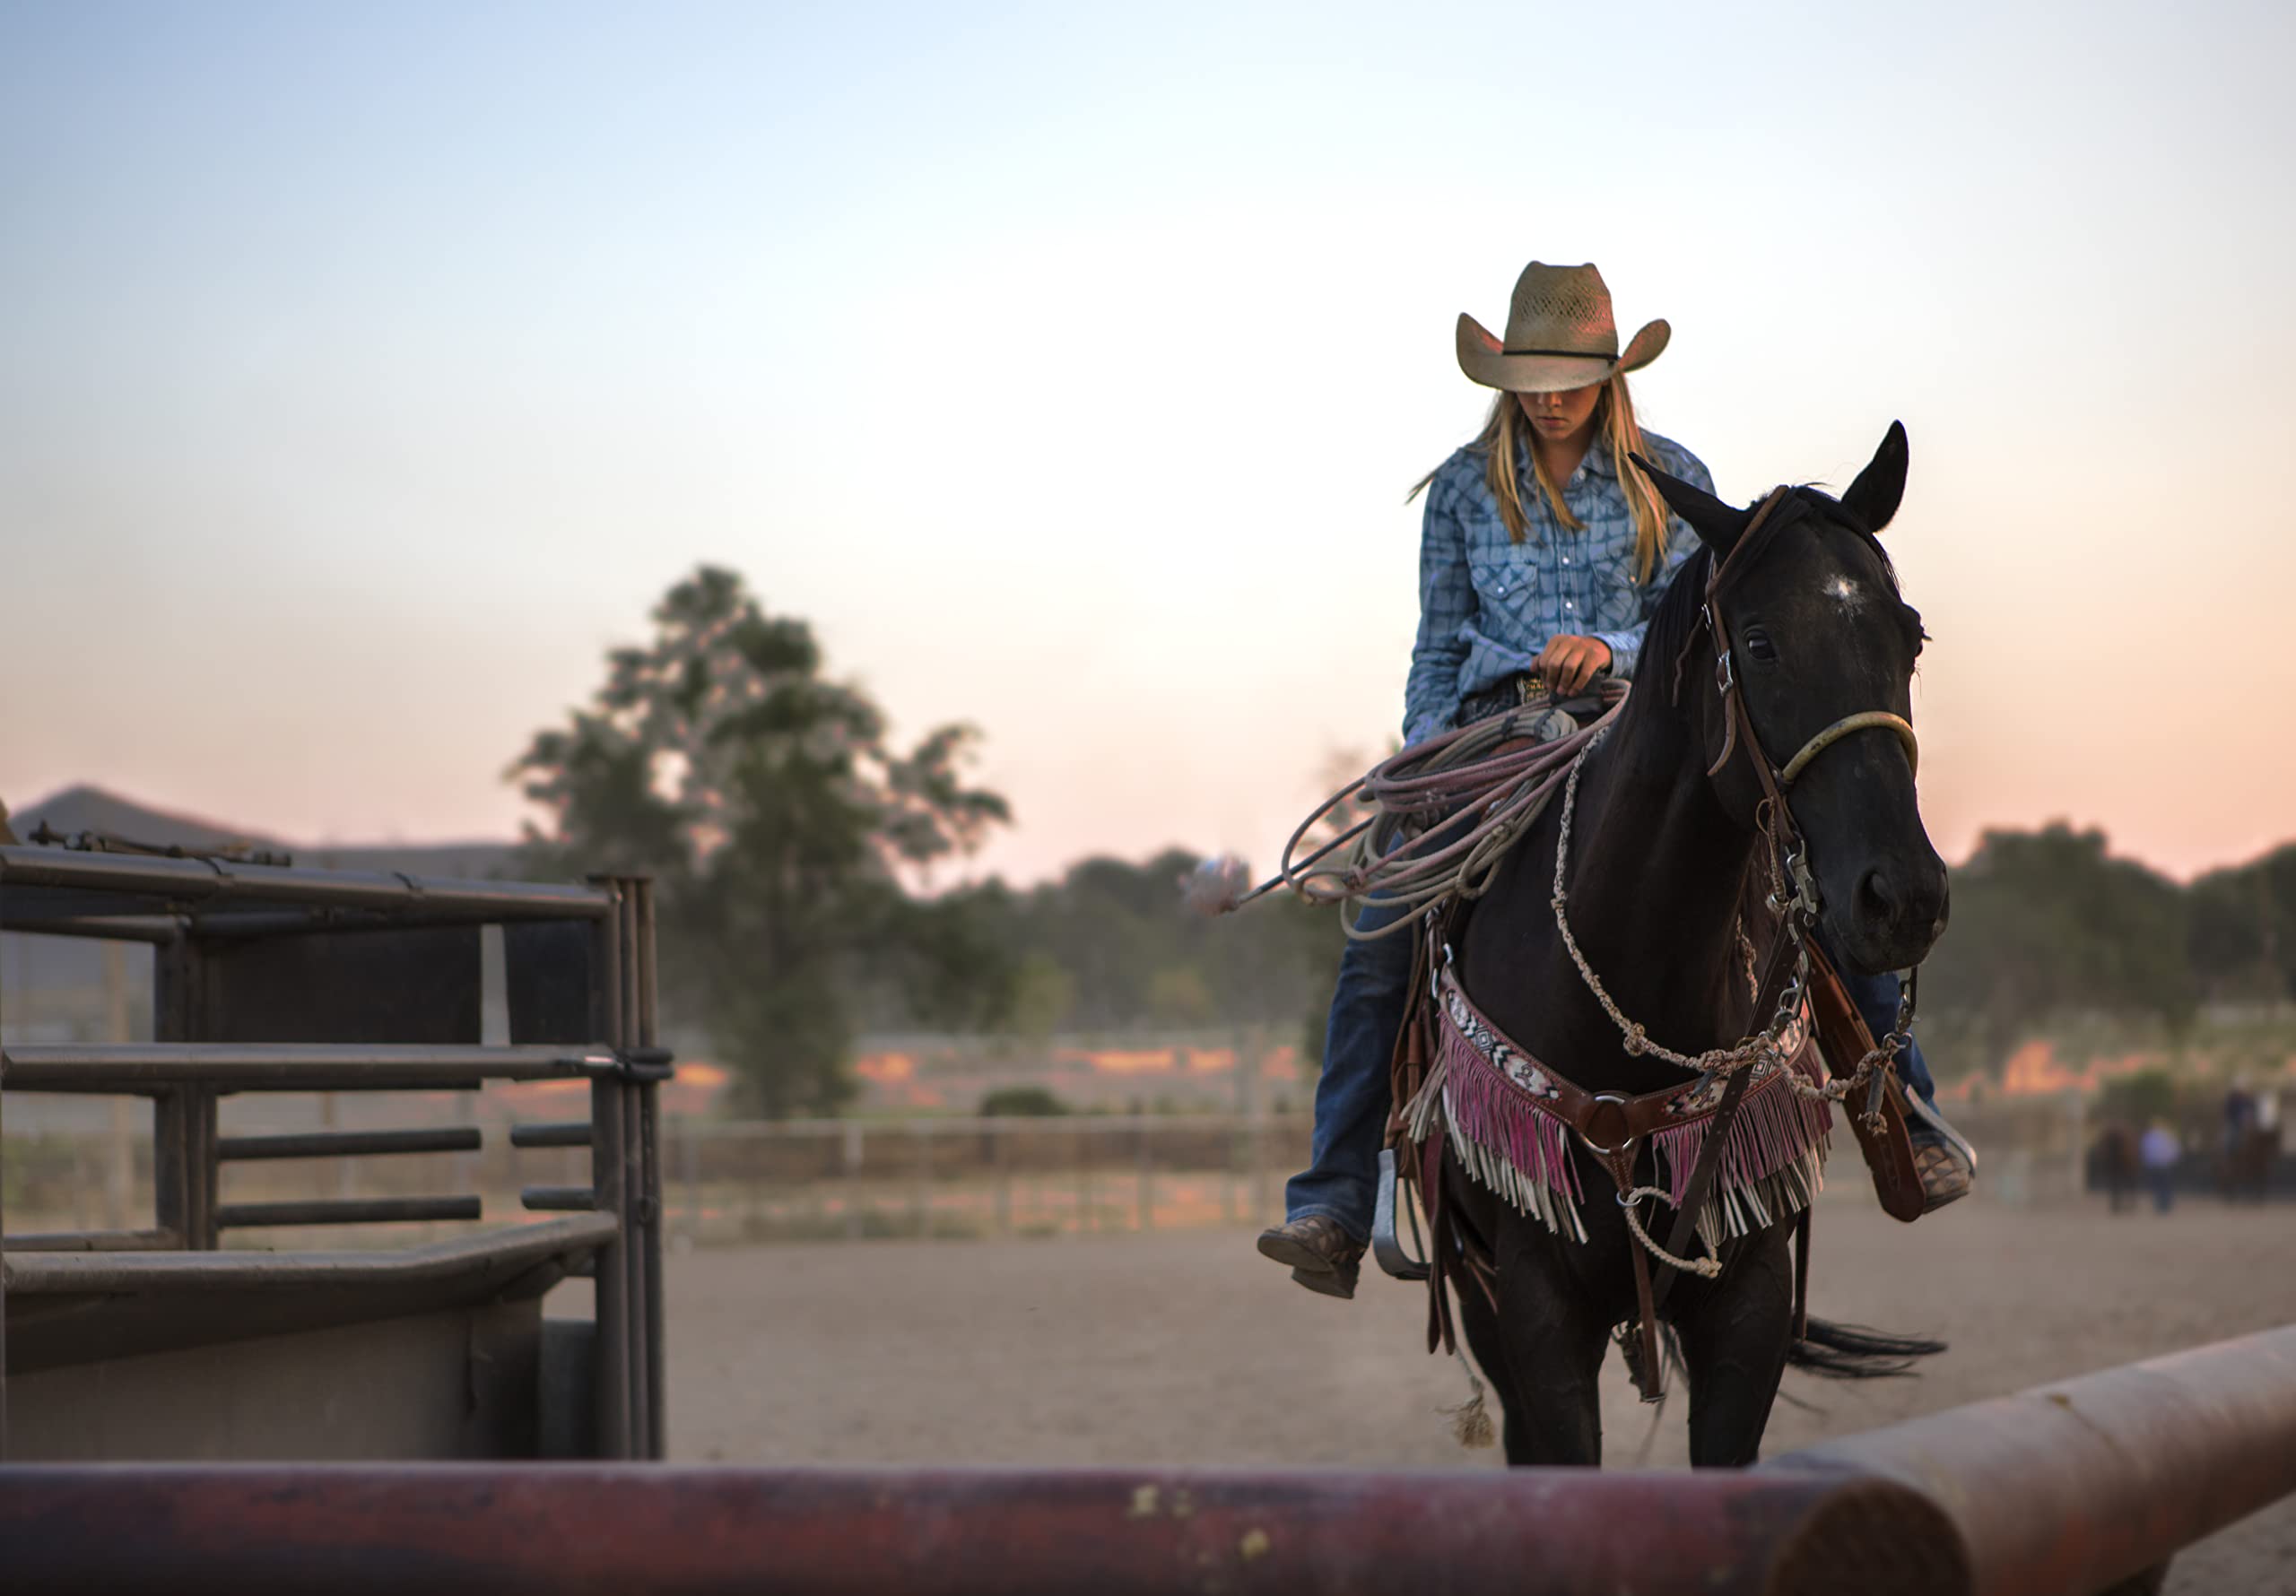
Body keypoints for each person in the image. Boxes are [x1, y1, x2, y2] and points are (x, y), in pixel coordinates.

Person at [1257, 261, 1973, 1300]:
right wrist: (1420, 762)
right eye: (1530, 376)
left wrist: (1612, 649)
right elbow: (1436, 642)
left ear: (1608, 370)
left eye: (1569, 373)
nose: (1549, 395)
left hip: (1646, 727)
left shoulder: (1668, 475)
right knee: (1381, 925)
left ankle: (1903, 1110)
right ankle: (1332, 1191)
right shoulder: (1461, 490)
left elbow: (1712, 624)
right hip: (1491, 736)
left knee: (1799, 867)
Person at [2140, 1117, 2181, 1213]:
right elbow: (2175, 1149)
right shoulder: (2156, 1136)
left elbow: (2145, 1151)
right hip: (2161, 1164)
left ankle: (2163, 1205)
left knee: (2162, 1185)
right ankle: (2162, 1205)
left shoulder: (2153, 1137)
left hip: (2161, 1164)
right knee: (2162, 1185)